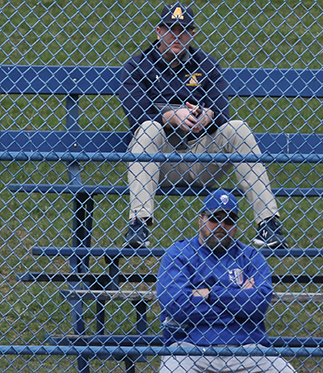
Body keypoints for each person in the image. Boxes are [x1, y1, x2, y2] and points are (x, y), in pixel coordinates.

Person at [119, 3, 286, 249]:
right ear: (159, 31)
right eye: (170, 29)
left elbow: (222, 112)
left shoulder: (206, 64)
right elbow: (136, 115)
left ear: (193, 34)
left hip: (201, 157)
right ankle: (139, 224)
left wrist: (206, 116)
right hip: (159, 162)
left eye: (184, 30)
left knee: (238, 128)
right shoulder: (137, 66)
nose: (177, 36)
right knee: (147, 128)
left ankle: (268, 223)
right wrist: (172, 116)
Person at [156, 189, 302, 373]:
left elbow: (257, 304)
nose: (222, 225)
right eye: (215, 218)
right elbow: (175, 304)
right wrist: (236, 298)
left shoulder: (251, 256)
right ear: (201, 219)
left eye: (229, 220)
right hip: (189, 346)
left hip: (246, 347)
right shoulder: (178, 254)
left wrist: (209, 293)